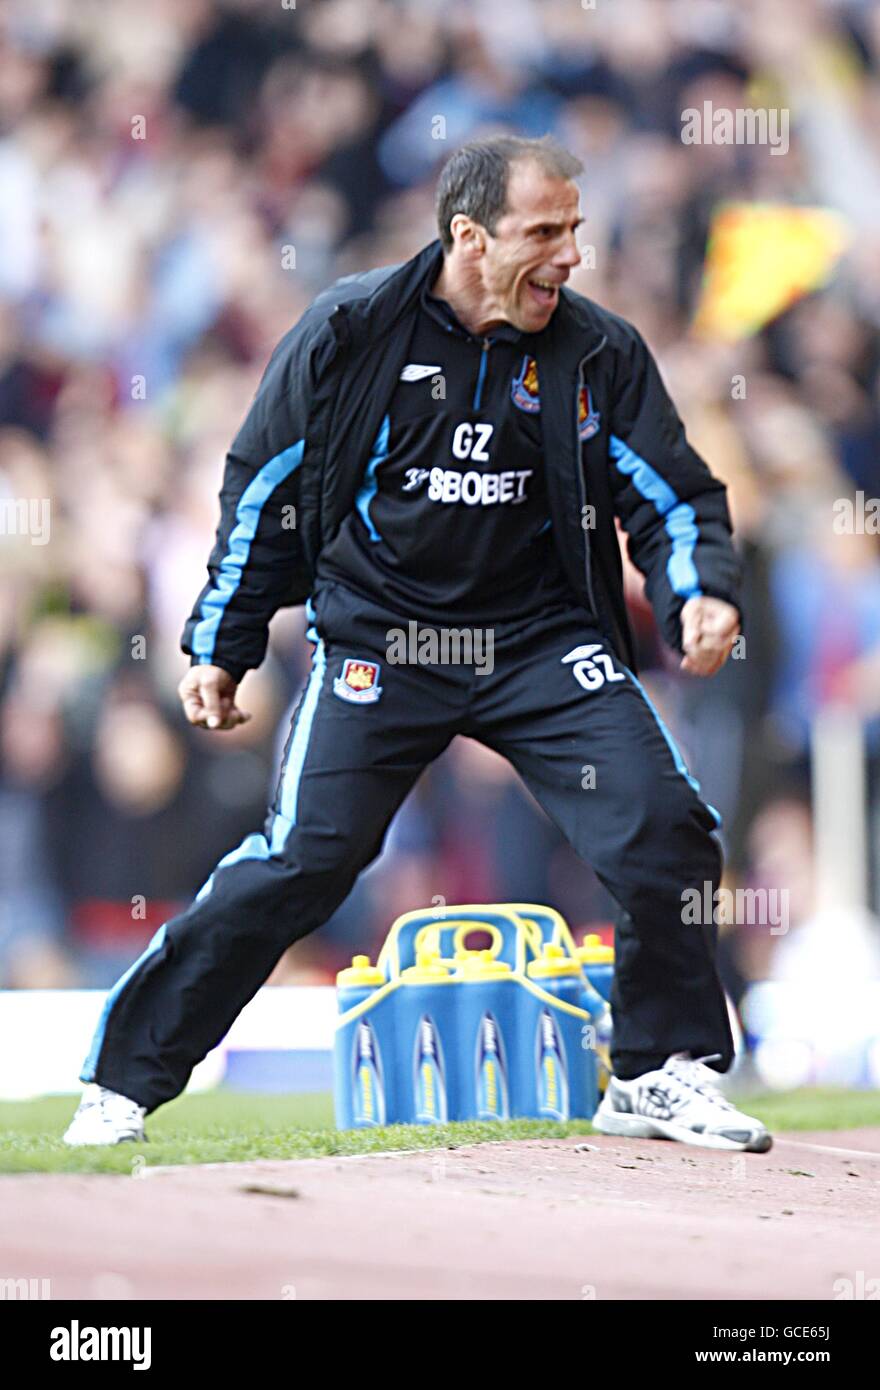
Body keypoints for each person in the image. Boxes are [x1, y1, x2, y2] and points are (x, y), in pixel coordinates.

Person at [64, 135, 770, 1152]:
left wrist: (699, 591)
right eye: (545, 233)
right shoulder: (350, 331)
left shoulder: (596, 352)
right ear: (469, 237)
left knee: (667, 825)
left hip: (538, 644)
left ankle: (658, 1070)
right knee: (304, 860)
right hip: (380, 646)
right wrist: (222, 645)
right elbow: (265, 493)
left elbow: (672, 493)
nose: (571, 255)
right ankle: (122, 1082)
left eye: (575, 229)